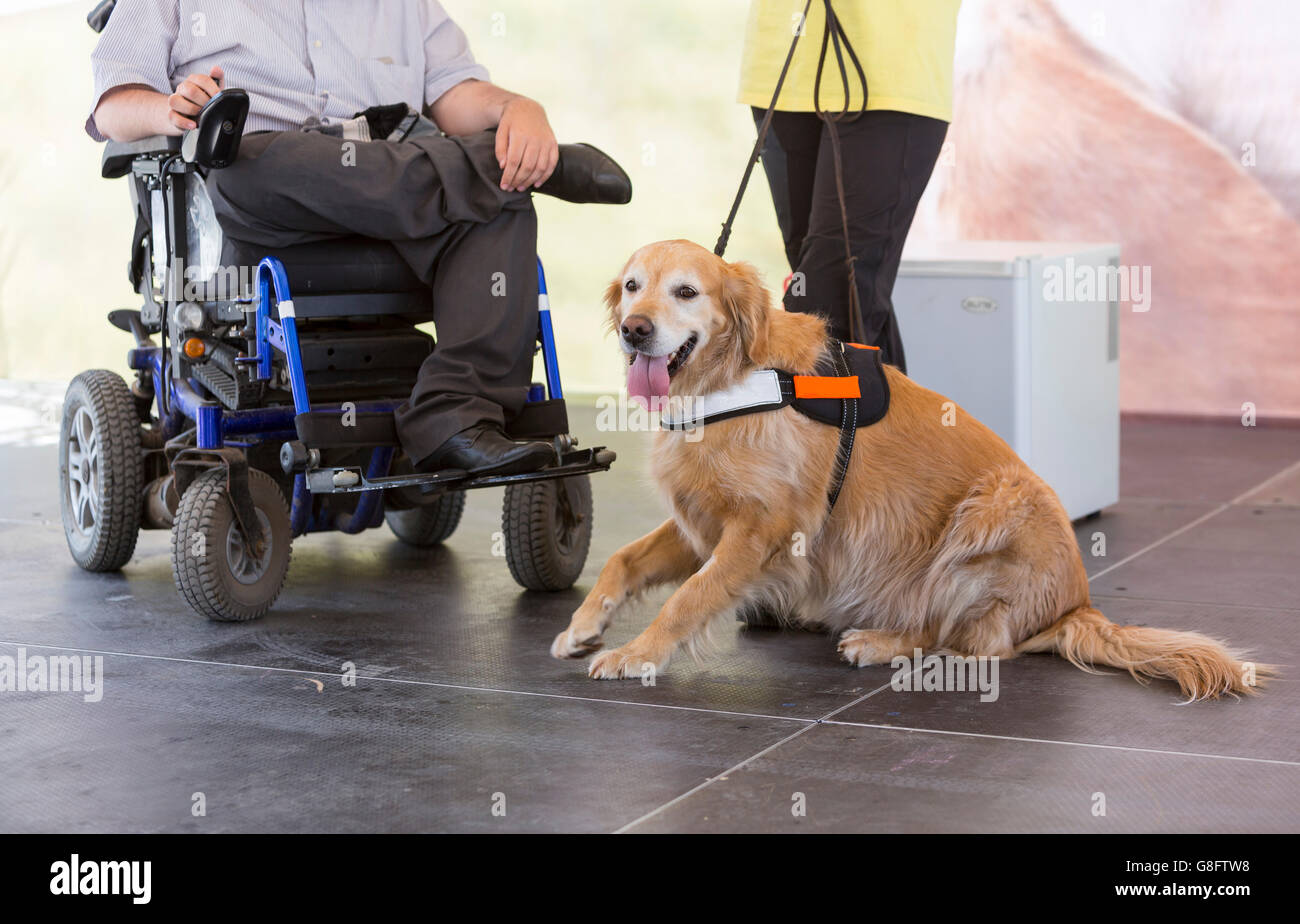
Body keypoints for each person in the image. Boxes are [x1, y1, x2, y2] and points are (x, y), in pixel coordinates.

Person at [86, 0, 630, 476]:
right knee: (258, 165)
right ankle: (483, 168)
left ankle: (457, 417)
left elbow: (453, 92)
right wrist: (167, 109)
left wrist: (516, 110)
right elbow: (114, 103)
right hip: (261, 182)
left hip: (387, 182)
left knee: (505, 192)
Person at [739, 0, 960, 373]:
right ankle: (897, 431)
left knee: (828, 302)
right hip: (784, 60)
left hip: (892, 63)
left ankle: (840, 428)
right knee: (837, 298)